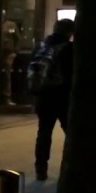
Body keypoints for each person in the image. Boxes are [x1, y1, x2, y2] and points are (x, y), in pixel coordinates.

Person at [34, 19, 75, 181]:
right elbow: (71, 74)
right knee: (71, 132)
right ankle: (70, 167)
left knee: (44, 132)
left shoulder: (42, 46)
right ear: (69, 32)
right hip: (62, 96)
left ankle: (40, 168)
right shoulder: (69, 49)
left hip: (43, 96)